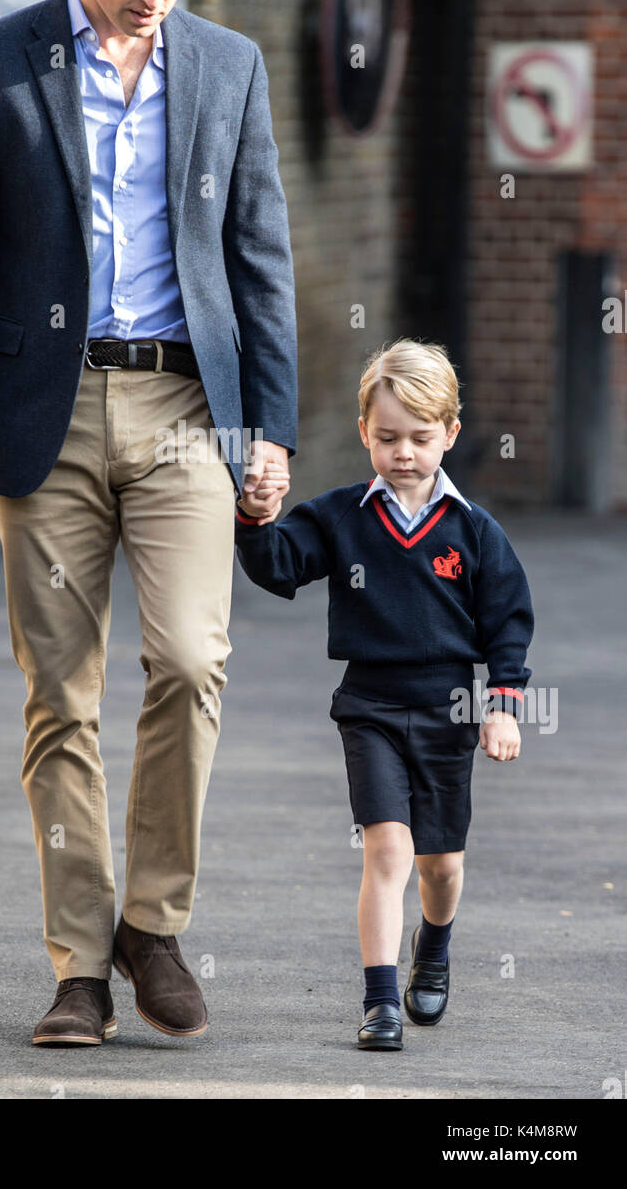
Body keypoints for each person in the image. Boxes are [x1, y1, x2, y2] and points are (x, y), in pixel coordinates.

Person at [0, 0, 297, 1046]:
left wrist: (268, 431)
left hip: (185, 410)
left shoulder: (228, 66)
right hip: (43, 412)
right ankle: (79, 964)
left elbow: (258, 256)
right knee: (60, 695)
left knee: (191, 660)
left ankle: (151, 925)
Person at [234, 338, 534, 1051]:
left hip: (448, 711)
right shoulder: (342, 516)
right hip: (368, 706)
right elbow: (279, 567)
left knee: (441, 866)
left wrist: (503, 705)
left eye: (421, 438)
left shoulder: (474, 531)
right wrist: (255, 516)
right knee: (387, 851)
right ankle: (379, 1003)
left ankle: (434, 946)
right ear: (364, 430)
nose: (403, 453)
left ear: (450, 434)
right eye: (388, 437)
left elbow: (508, 622)